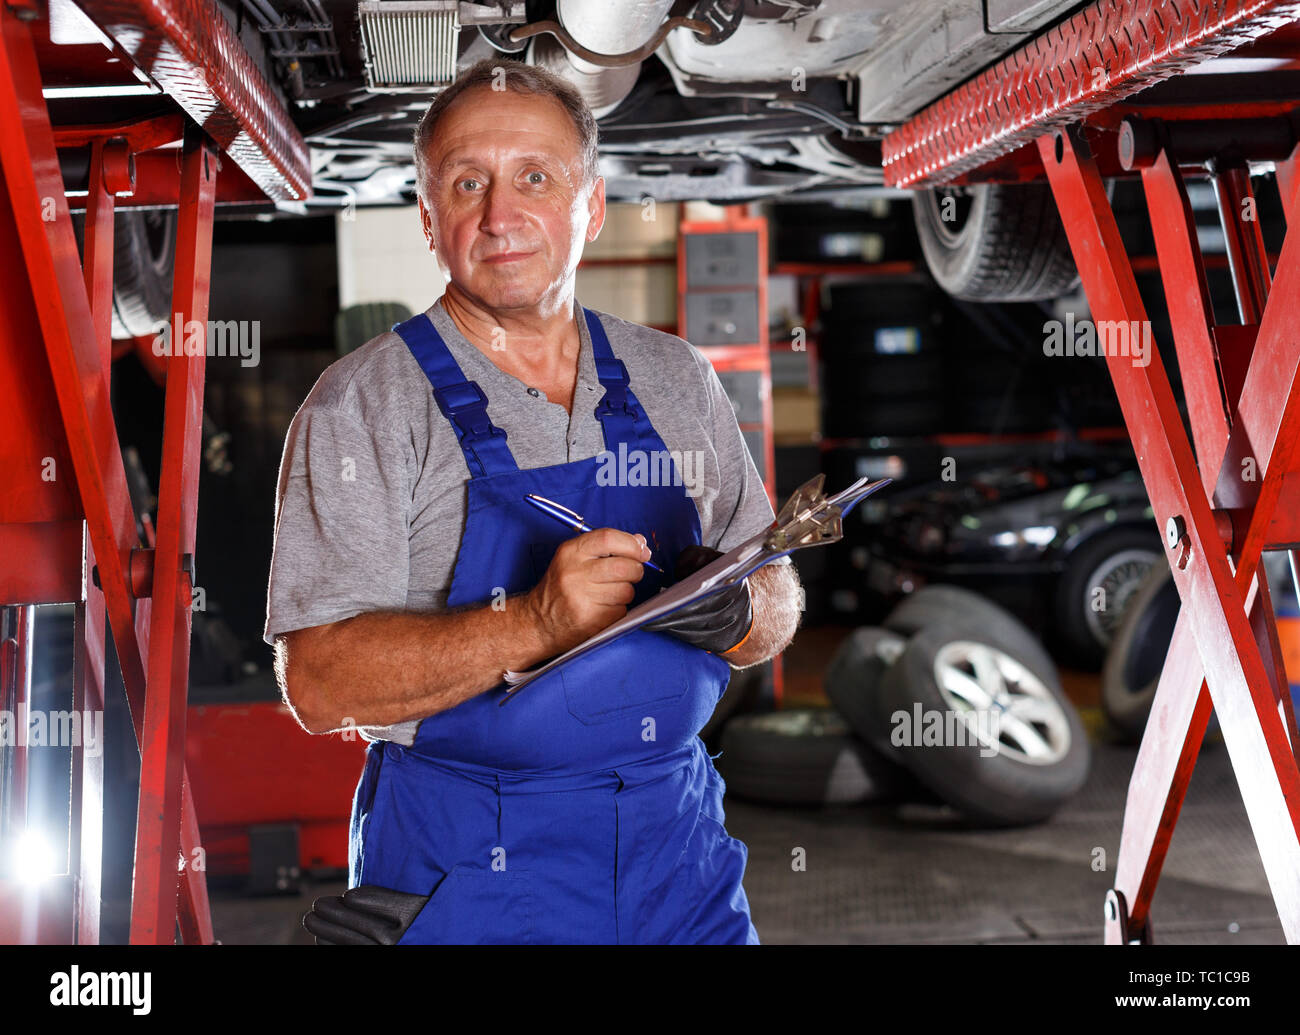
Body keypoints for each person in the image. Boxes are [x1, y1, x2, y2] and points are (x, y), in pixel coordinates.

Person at [265, 57, 802, 945]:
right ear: (429, 217)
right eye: (468, 182)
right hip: (471, 864)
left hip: (677, 850)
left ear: (590, 207)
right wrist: (536, 622)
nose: (500, 216)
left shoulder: (676, 378)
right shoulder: (363, 403)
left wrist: (741, 608)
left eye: (535, 179)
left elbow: (776, 599)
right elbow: (318, 685)